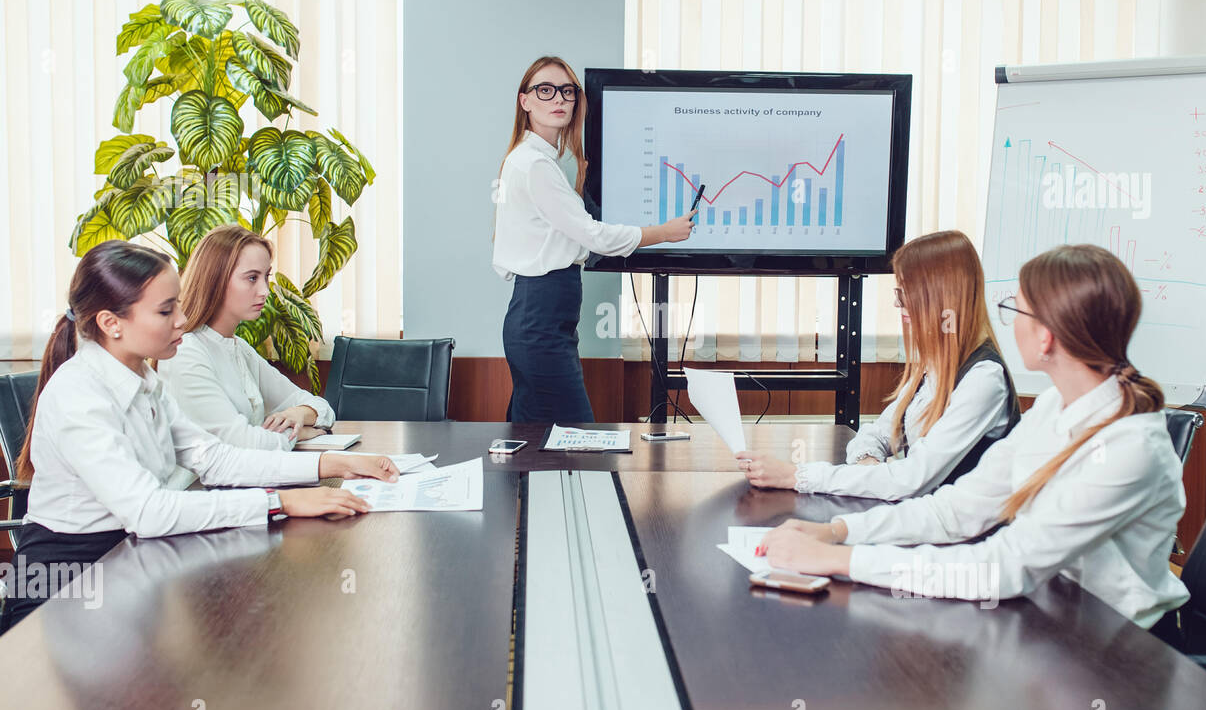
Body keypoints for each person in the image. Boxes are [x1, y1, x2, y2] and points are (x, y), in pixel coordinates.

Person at [757, 244, 1190, 630]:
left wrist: (838, 560)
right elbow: (956, 511)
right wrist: (837, 531)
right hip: (1055, 613)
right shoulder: (1055, 409)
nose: (1007, 323)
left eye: (1015, 310)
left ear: (1046, 336)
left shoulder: (1129, 448)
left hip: (1122, 652)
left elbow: (1003, 568)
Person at [0, 241, 396, 633]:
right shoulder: (79, 396)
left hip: (125, 561)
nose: (182, 320)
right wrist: (282, 502)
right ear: (110, 323)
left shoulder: (144, 380)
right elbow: (148, 511)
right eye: (165, 310)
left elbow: (217, 458)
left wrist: (335, 463)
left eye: (179, 305)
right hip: (63, 588)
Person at [736, 230, 1019, 499]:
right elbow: (877, 433)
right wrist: (869, 466)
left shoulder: (984, 379)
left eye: (905, 293)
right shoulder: (933, 367)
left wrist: (796, 476)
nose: (898, 304)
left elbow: (912, 479)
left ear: (938, 295)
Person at [491, 55, 697, 423]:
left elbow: (556, 229)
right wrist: (664, 233)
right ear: (525, 101)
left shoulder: (535, 160)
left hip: (540, 318)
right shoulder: (535, 164)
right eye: (545, 90)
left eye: (567, 92)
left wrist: (578, 186)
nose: (558, 99)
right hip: (540, 321)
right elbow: (592, 235)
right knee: (576, 436)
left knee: (529, 440)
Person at [158, 224, 335, 449]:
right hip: (197, 484)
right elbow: (241, 444)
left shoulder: (238, 348)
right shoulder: (186, 352)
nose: (265, 291)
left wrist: (300, 413)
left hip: (247, 480)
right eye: (252, 278)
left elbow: (322, 409)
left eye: (266, 276)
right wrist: (299, 433)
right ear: (216, 280)